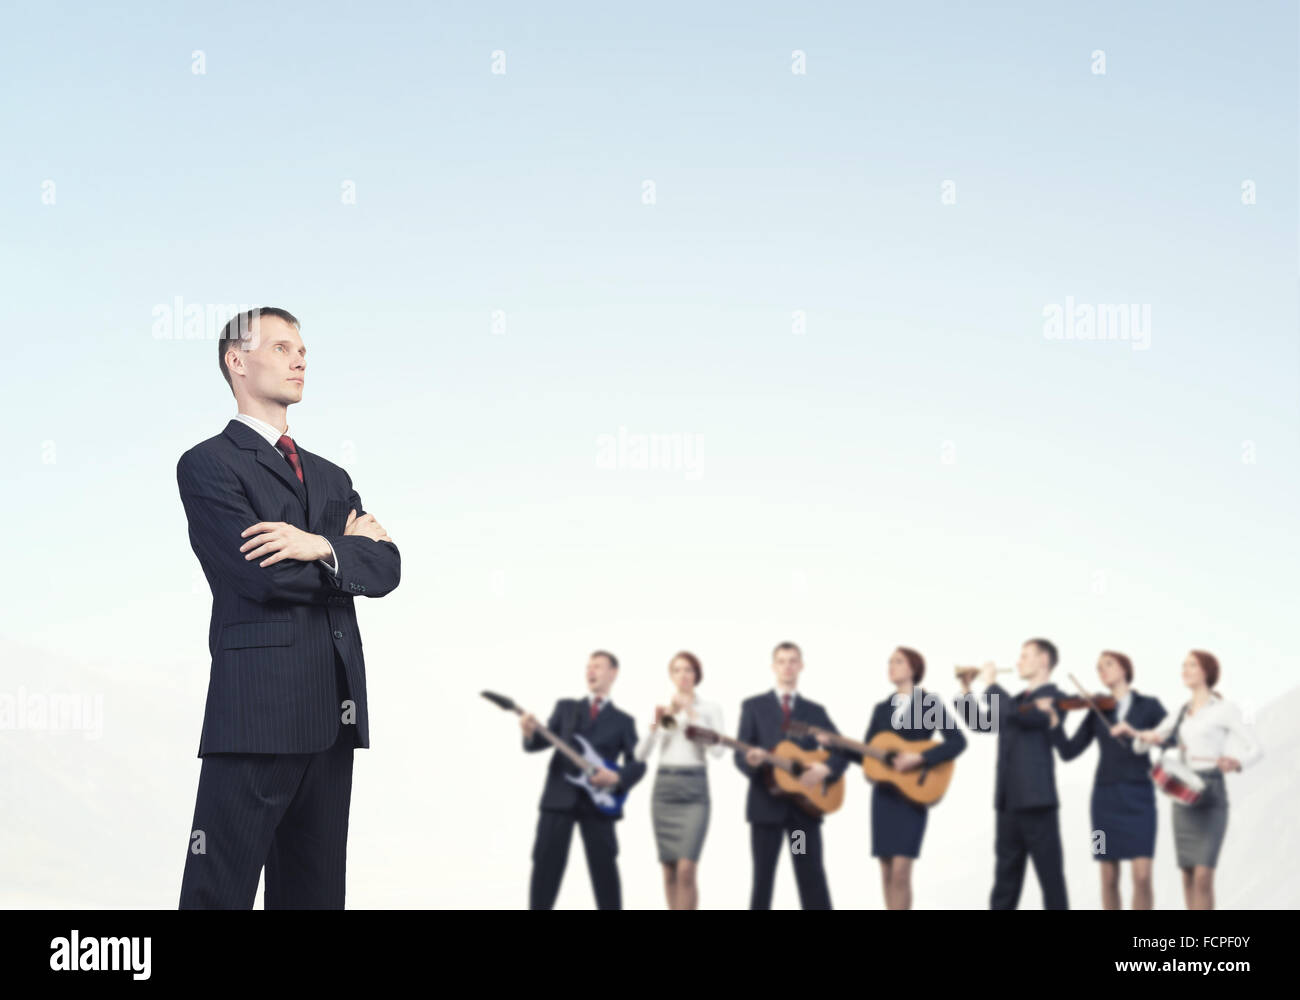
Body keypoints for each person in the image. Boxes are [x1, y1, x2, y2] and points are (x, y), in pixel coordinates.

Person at [178, 307, 401, 909]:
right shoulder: (207, 464)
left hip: (333, 712)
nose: (299, 358)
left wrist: (319, 545)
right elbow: (262, 578)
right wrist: (346, 555)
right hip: (255, 712)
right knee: (217, 891)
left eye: (302, 348)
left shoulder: (332, 476)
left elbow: (388, 568)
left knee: (316, 897)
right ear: (237, 361)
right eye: (280, 347)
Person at [826, 647, 966, 909]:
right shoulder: (880, 709)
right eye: (890, 662)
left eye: (898, 662)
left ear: (913, 668)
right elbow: (868, 755)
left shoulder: (929, 704)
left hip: (914, 793)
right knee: (887, 871)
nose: (891, 666)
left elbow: (958, 742)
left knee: (902, 871)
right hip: (884, 796)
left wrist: (921, 758)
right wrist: (835, 745)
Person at [1123, 650, 1262, 910]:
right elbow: (1138, 749)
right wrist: (1145, 737)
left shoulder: (1226, 709)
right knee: (1187, 875)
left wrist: (1237, 762)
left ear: (1207, 671)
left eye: (1192, 665)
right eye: (1183, 666)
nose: (1185, 670)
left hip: (1211, 792)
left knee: (1203, 876)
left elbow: (1256, 748)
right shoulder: (1179, 713)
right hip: (1183, 795)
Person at [521, 650, 646, 909]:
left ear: (613, 673)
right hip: (558, 798)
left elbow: (639, 763)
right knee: (545, 867)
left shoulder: (624, 721)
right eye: (588, 666)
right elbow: (536, 745)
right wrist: (528, 732)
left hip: (599, 803)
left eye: (598, 666)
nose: (591, 671)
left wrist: (617, 777)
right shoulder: (566, 708)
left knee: (605, 872)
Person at [955, 638, 1070, 909]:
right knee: (1004, 882)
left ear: (1044, 661)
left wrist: (992, 684)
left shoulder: (1057, 697)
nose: (1018, 661)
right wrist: (965, 691)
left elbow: (1026, 717)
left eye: (1025, 655)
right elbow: (981, 724)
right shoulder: (1015, 701)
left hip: (1037, 801)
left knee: (1051, 881)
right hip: (1007, 802)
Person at [735, 641, 848, 909]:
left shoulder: (814, 711)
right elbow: (740, 754)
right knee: (763, 879)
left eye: (793, 661)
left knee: (809, 876)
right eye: (782, 661)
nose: (787, 666)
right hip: (767, 809)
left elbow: (843, 749)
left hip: (803, 812)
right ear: (773, 666)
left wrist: (827, 767)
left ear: (801, 666)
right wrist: (752, 762)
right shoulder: (754, 706)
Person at [1055, 651, 1166, 909]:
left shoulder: (1150, 706)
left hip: (1141, 800)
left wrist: (1138, 732)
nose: (1101, 670)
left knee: (1142, 876)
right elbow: (1068, 752)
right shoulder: (1095, 711)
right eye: (1098, 668)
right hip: (1102, 803)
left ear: (1125, 668)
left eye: (1108, 664)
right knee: (1107, 876)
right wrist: (1055, 722)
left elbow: (1172, 739)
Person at [635, 651, 725, 909]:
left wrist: (693, 717)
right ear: (671, 675)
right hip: (664, 788)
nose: (683, 675)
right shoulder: (663, 709)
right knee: (668, 869)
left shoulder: (709, 709)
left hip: (694, 788)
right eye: (677, 670)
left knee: (687, 868)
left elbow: (718, 752)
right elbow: (640, 754)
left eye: (688, 670)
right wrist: (661, 721)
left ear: (697, 675)